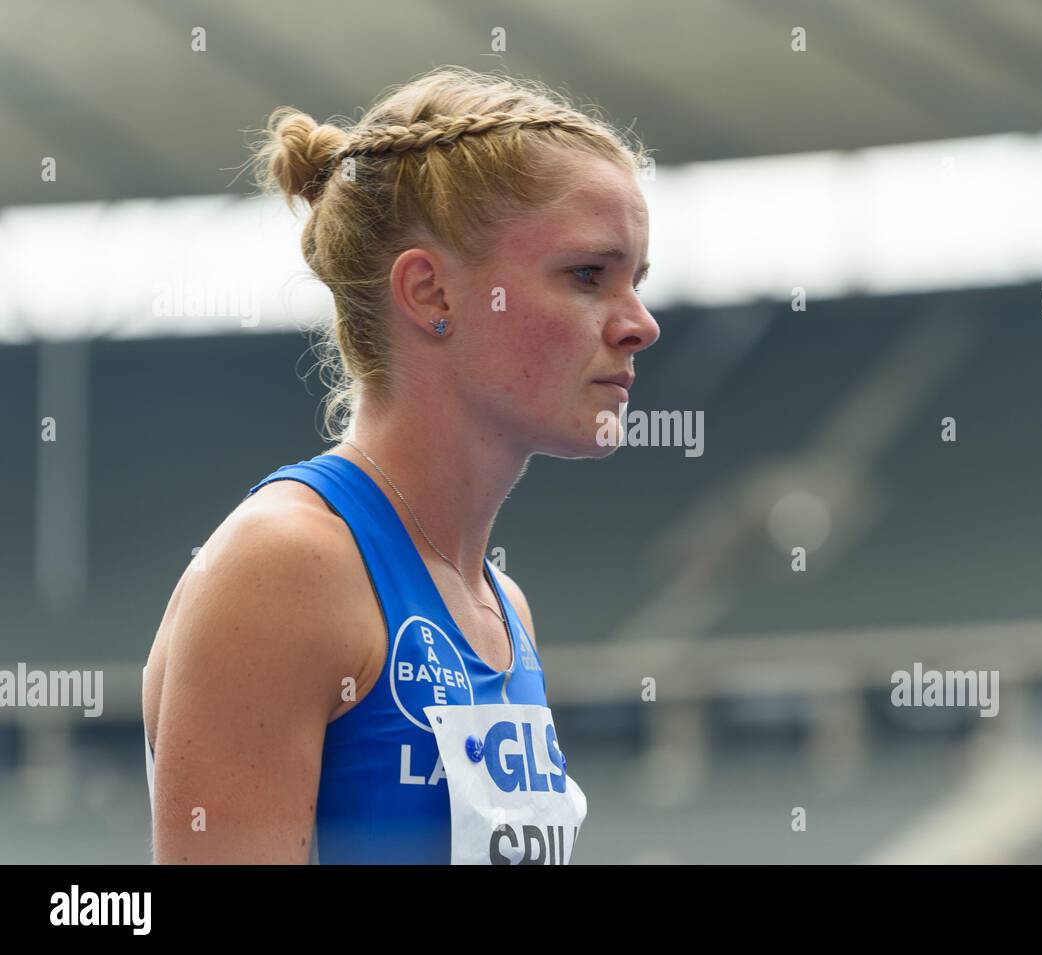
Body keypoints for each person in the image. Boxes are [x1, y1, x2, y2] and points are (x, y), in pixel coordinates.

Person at [141, 65, 660, 863]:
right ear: (431, 294)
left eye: (638, 280)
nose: (639, 324)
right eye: (588, 274)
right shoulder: (283, 568)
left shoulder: (503, 607)